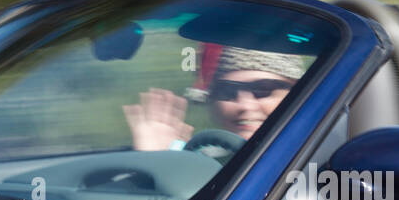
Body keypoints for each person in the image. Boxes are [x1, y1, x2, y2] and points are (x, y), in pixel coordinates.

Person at [124, 46, 309, 151]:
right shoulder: (198, 158)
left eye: (263, 89)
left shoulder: (324, 156)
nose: (244, 105)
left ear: (297, 94)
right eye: (227, 91)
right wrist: (159, 157)